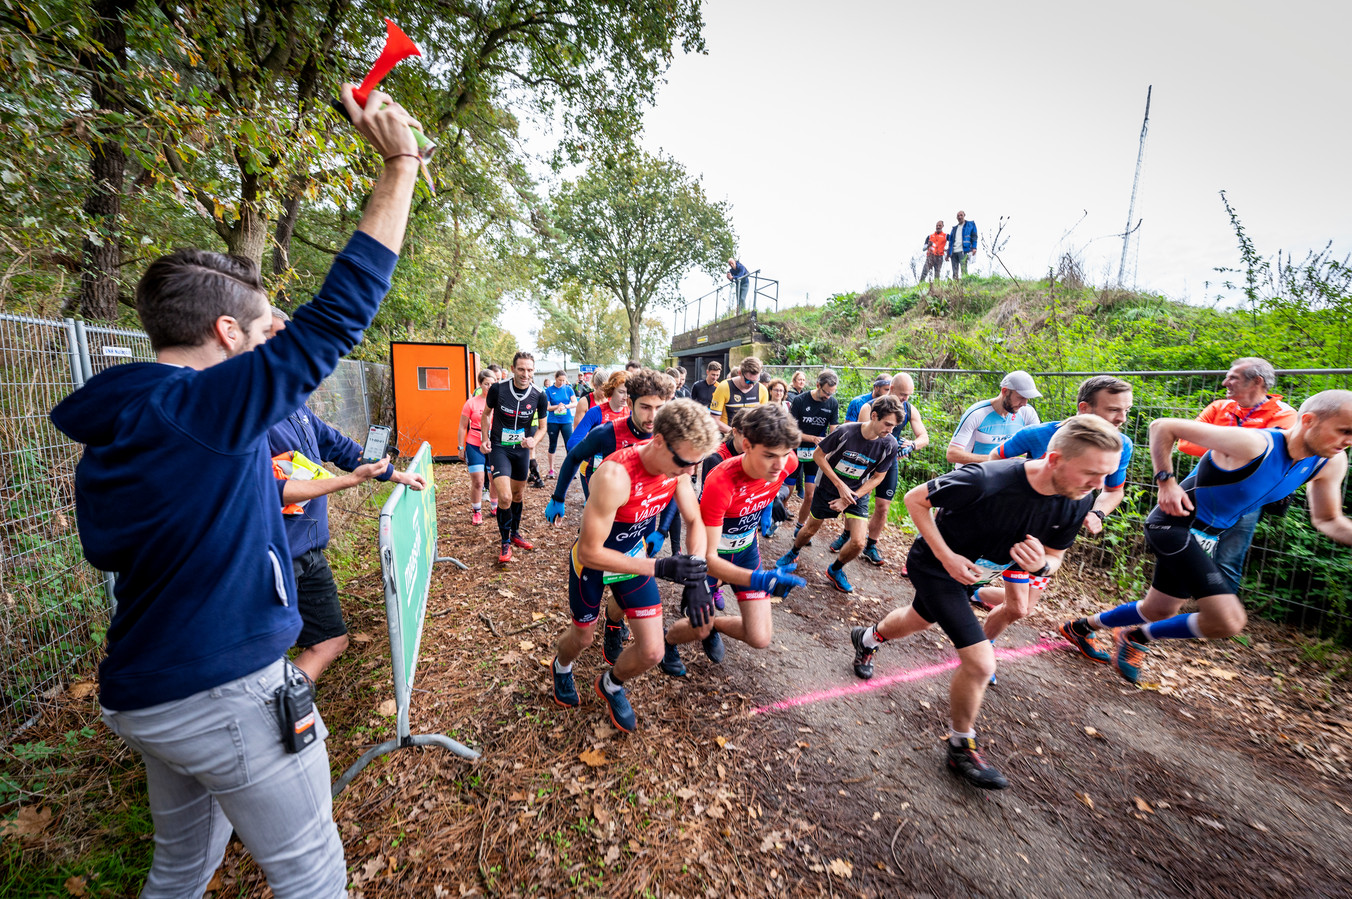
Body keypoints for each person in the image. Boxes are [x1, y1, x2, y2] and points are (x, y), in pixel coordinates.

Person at [47, 86, 418, 897]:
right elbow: (335, 321)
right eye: (260, 332)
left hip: (147, 693)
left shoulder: (127, 416)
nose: (271, 342)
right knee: (313, 871)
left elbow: (105, 546)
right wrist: (400, 165)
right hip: (226, 692)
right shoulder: (199, 407)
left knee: (182, 867)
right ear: (225, 335)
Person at [850, 416, 1123, 789]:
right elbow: (916, 500)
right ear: (1055, 459)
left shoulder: (1078, 500)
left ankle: (866, 638)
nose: (1100, 485)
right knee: (980, 663)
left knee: (919, 620)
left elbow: (1055, 556)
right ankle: (961, 746)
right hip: (936, 565)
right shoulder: (987, 478)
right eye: (1092, 473)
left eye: (1105, 476)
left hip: (975, 573)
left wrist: (1041, 564)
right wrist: (946, 556)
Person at [1060, 392, 1352, 685]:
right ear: (1308, 420)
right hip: (1173, 524)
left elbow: (1328, 520)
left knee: (1159, 609)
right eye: (1344, 430)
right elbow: (1162, 426)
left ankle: (1081, 627)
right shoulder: (1255, 444)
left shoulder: (1328, 462)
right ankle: (1136, 636)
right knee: (1229, 620)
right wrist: (1166, 482)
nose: (1348, 441)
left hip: (1208, 536)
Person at [265, 311, 427, 684]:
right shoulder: (246, 417)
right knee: (258, 659)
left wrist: (396, 474)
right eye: (273, 336)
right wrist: (346, 482)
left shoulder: (296, 406)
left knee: (332, 641)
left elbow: (340, 447)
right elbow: (270, 492)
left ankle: (281, 706)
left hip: (308, 551)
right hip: (268, 560)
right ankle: (266, 715)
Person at [548, 399, 722, 732]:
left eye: (695, 465)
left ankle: (611, 684)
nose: (689, 472)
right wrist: (660, 568)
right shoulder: (615, 475)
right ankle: (561, 666)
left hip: (633, 558)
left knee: (653, 651)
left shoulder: (679, 468)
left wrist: (697, 574)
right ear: (658, 441)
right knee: (582, 638)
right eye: (685, 462)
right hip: (595, 563)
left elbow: (694, 520)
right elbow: (589, 553)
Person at [972, 376, 1135, 624]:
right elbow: (996, 457)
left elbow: (1113, 491)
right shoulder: (1038, 434)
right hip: (1021, 529)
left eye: (1126, 410)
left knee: (1022, 607)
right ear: (1084, 408)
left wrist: (1097, 513)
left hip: (1055, 536)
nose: (1122, 418)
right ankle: (977, 640)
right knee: (1017, 606)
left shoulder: (1122, 445)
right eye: (1113, 409)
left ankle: (975, 595)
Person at [660, 405, 808, 675]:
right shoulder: (722, 481)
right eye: (770, 456)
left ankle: (713, 624)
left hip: (746, 551)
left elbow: (770, 483)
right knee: (699, 626)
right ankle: (668, 640)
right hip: (715, 554)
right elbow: (709, 558)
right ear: (747, 445)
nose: (780, 464)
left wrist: (769, 504)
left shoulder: (788, 461)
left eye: (785, 454)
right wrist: (759, 579)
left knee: (759, 637)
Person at [546, 370, 676, 659]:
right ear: (630, 402)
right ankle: (563, 664)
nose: (652, 416)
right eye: (645, 407)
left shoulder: (668, 439)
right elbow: (573, 456)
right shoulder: (609, 432)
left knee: (625, 594)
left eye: (659, 408)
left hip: (638, 533)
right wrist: (558, 496)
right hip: (601, 531)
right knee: (582, 635)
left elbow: (676, 483)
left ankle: (614, 623)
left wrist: (661, 530)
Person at [1176, 357, 1298, 594]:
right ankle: (1171, 603)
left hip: (1246, 499)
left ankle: (1217, 620)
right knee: (1183, 547)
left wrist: (1218, 442)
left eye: (1233, 377)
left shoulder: (1284, 414)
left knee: (1227, 561)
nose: (1224, 383)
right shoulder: (1218, 407)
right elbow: (1185, 443)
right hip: (1202, 488)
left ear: (1257, 381)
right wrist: (1241, 449)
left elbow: (1274, 458)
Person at [775, 395, 904, 594]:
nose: (890, 430)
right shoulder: (846, 432)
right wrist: (839, 485)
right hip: (827, 487)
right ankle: (794, 552)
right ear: (874, 415)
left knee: (859, 542)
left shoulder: (889, 444)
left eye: (894, 427)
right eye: (887, 424)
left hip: (856, 493)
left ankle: (835, 570)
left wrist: (851, 496)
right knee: (809, 530)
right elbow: (818, 455)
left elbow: (878, 477)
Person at [829, 372, 931, 568]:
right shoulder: (871, 407)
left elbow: (923, 437)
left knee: (883, 506)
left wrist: (911, 446)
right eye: (902, 394)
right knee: (854, 497)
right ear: (891, 389)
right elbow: (862, 435)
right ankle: (847, 534)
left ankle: (871, 545)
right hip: (865, 460)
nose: (905, 399)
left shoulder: (909, 408)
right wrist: (892, 444)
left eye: (909, 395)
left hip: (888, 461)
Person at [482, 351, 547, 563]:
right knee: (506, 497)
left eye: (529, 370)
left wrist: (533, 441)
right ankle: (504, 542)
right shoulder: (498, 389)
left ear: (533, 371)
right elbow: (486, 414)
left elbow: (543, 427)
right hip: (500, 448)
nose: (525, 374)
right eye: (521, 369)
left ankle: (515, 533)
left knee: (518, 496)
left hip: (521, 451)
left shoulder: (539, 395)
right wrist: (485, 438)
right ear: (512, 369)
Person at [946, 370, 1041, 466]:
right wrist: (997, 459)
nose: (1024, 403)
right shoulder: (977, 413)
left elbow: (1039, 446)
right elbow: (952, 454)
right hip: (973, 476)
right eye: (1020, 397)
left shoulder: (1028, 412)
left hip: (1004, 474)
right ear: (1005, 391)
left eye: (1027, 398)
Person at [788, 370, 841, 536]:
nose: (828, 396)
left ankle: (800, 526)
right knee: (787, 490)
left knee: (810, 495)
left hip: (815, 454)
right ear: (818, 385)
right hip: (795, 450)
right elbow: (791, 431)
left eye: (832, 393)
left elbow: (833, 431)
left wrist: (831, 445)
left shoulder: (832, 403)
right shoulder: (799, 400)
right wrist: (812, 438)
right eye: (826, 392)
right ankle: (778, 516)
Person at [566, 371, 630, 499]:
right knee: (596, 508)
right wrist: (591, 450)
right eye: (621, 392)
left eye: (628, 393)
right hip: (592, 468)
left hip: (618, 469)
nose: (625, 397)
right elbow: (573, 443)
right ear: (611, 390)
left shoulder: (630, 410)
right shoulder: (593, 409)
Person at [458, 369, 497, 524]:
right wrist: (461, 448)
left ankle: (495, 506)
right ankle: (477, 511)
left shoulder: (499, 402)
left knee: (494, 478)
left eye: (492, 384)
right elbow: (462, 427)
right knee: (478, 481)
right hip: (474, 444)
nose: (489, 387)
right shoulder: (471, 402)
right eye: (486, 384)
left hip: (494, 445)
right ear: (480, 385)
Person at [709, 357, 769, 434]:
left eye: (755, 381)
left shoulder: (762, 390)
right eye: (748, 381)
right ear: (740, 373)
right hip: (727, 437)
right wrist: (737, 434)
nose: (751, 385)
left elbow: (763, 420)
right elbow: (714, 419)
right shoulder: (724, 387)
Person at [544, 370, 578, 479]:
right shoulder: (549, 390)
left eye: (564, 380)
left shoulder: (568, 389)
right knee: (552, 445)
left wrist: (566, 406)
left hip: (566, 421)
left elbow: (575, 403)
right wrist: (557, 406)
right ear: (555, 378)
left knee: (569, 445)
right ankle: (551, 470)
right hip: (553, 421)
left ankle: (570, 470)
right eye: (560, 380)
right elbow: (548, 407)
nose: (562, 382)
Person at [947, 210, 977, 279]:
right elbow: (951, 241)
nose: (959, 217)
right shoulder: (954, 228)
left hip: (963, 250)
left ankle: (965, 285)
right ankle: (956, 287)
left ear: (964, 215)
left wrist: (974, 247)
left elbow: (974, 236)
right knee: (954, 272)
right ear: (956, 218)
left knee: (963, 269)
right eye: (958, 216)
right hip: (954, 252)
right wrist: (948, 253)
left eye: (961, 215)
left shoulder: (970, 225)